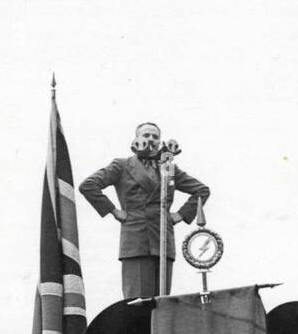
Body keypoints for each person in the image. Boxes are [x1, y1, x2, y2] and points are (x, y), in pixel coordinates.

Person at [79, 122, 210, 299]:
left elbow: (202, 190)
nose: (151, 140)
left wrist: (180, 215)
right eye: (146, 135)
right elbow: (88, 185)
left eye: (155, 137)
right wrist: (113, 210)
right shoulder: (122, 165)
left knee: (162, 303)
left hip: (163, 239)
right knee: (137, 304)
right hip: (136, 241)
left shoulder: (169, 168)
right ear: (136, 139)